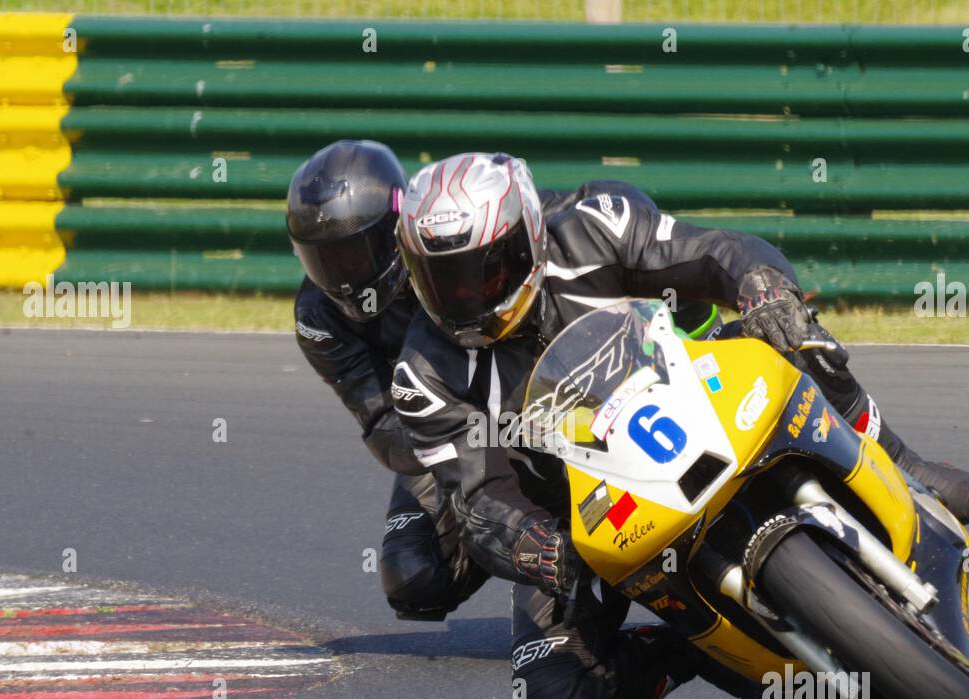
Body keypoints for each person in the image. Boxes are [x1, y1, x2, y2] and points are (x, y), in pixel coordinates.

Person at [390, 151, 969, 699]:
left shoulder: (594, 224)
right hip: (586, 517)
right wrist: (541, 549)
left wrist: (760, 287)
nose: (467, 297)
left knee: (791, 331)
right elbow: (478, 497)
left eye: (485, 271)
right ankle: (700, 651)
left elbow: (713, 253)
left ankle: (897, 457)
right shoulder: (423, 375)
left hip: (698, 393)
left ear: (527, 235)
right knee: (555, 698)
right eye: (443, 282)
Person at [288, 139, 710, 621]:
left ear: (398, 227)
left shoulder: (485, 233)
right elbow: (383, 427)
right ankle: (548, 543)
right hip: (454, 421)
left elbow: (603, 219)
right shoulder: (321, 318)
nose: (346, 276)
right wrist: (472, 440)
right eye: (325, 260)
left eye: (357, 252)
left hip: (571, 379)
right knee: (414, 575)